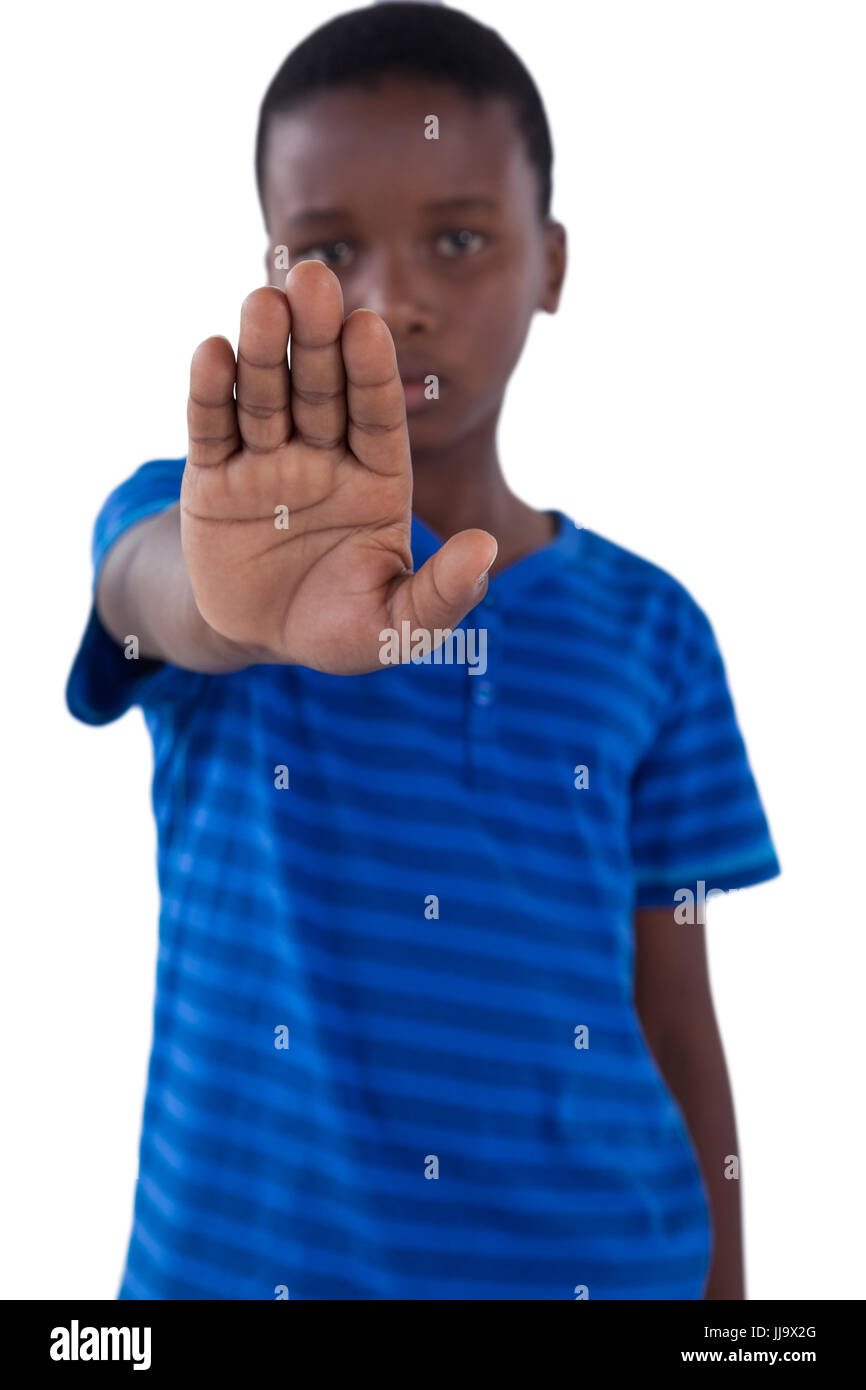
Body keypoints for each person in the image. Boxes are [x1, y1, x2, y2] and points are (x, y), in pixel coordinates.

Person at [66, 2, 780, 1300]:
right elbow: (143, 597)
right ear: (275, 271)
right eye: (332, 249)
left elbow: (676, 1009)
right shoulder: (199, 529)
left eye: (458, 237)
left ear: (550, 262)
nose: (394, 304)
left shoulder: (655, 631)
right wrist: (237, 609)